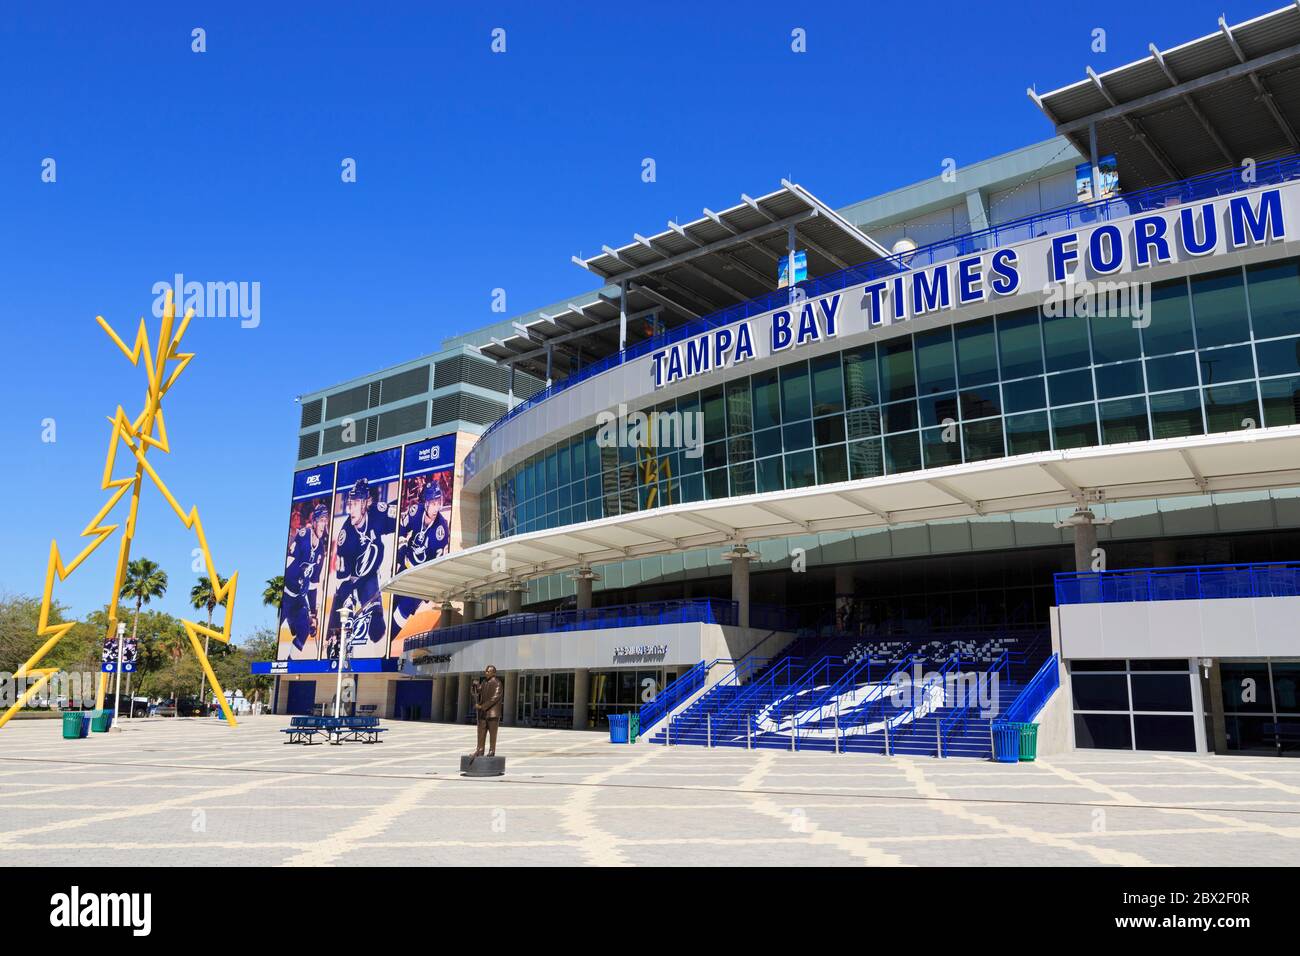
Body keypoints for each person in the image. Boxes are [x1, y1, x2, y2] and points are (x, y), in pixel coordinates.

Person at [471, 665, 503, 757]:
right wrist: (476, 685)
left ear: (493, 673)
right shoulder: (484, 682)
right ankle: (479, 750)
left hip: (492, 713)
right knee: (481, 732)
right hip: (483, 714)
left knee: (492, 734)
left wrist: (482, 707)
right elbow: (478, 691)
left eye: (488, 671)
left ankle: (492, 751)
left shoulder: (497, 683)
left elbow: (495, 698)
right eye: (486, 671)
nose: (486, 673)